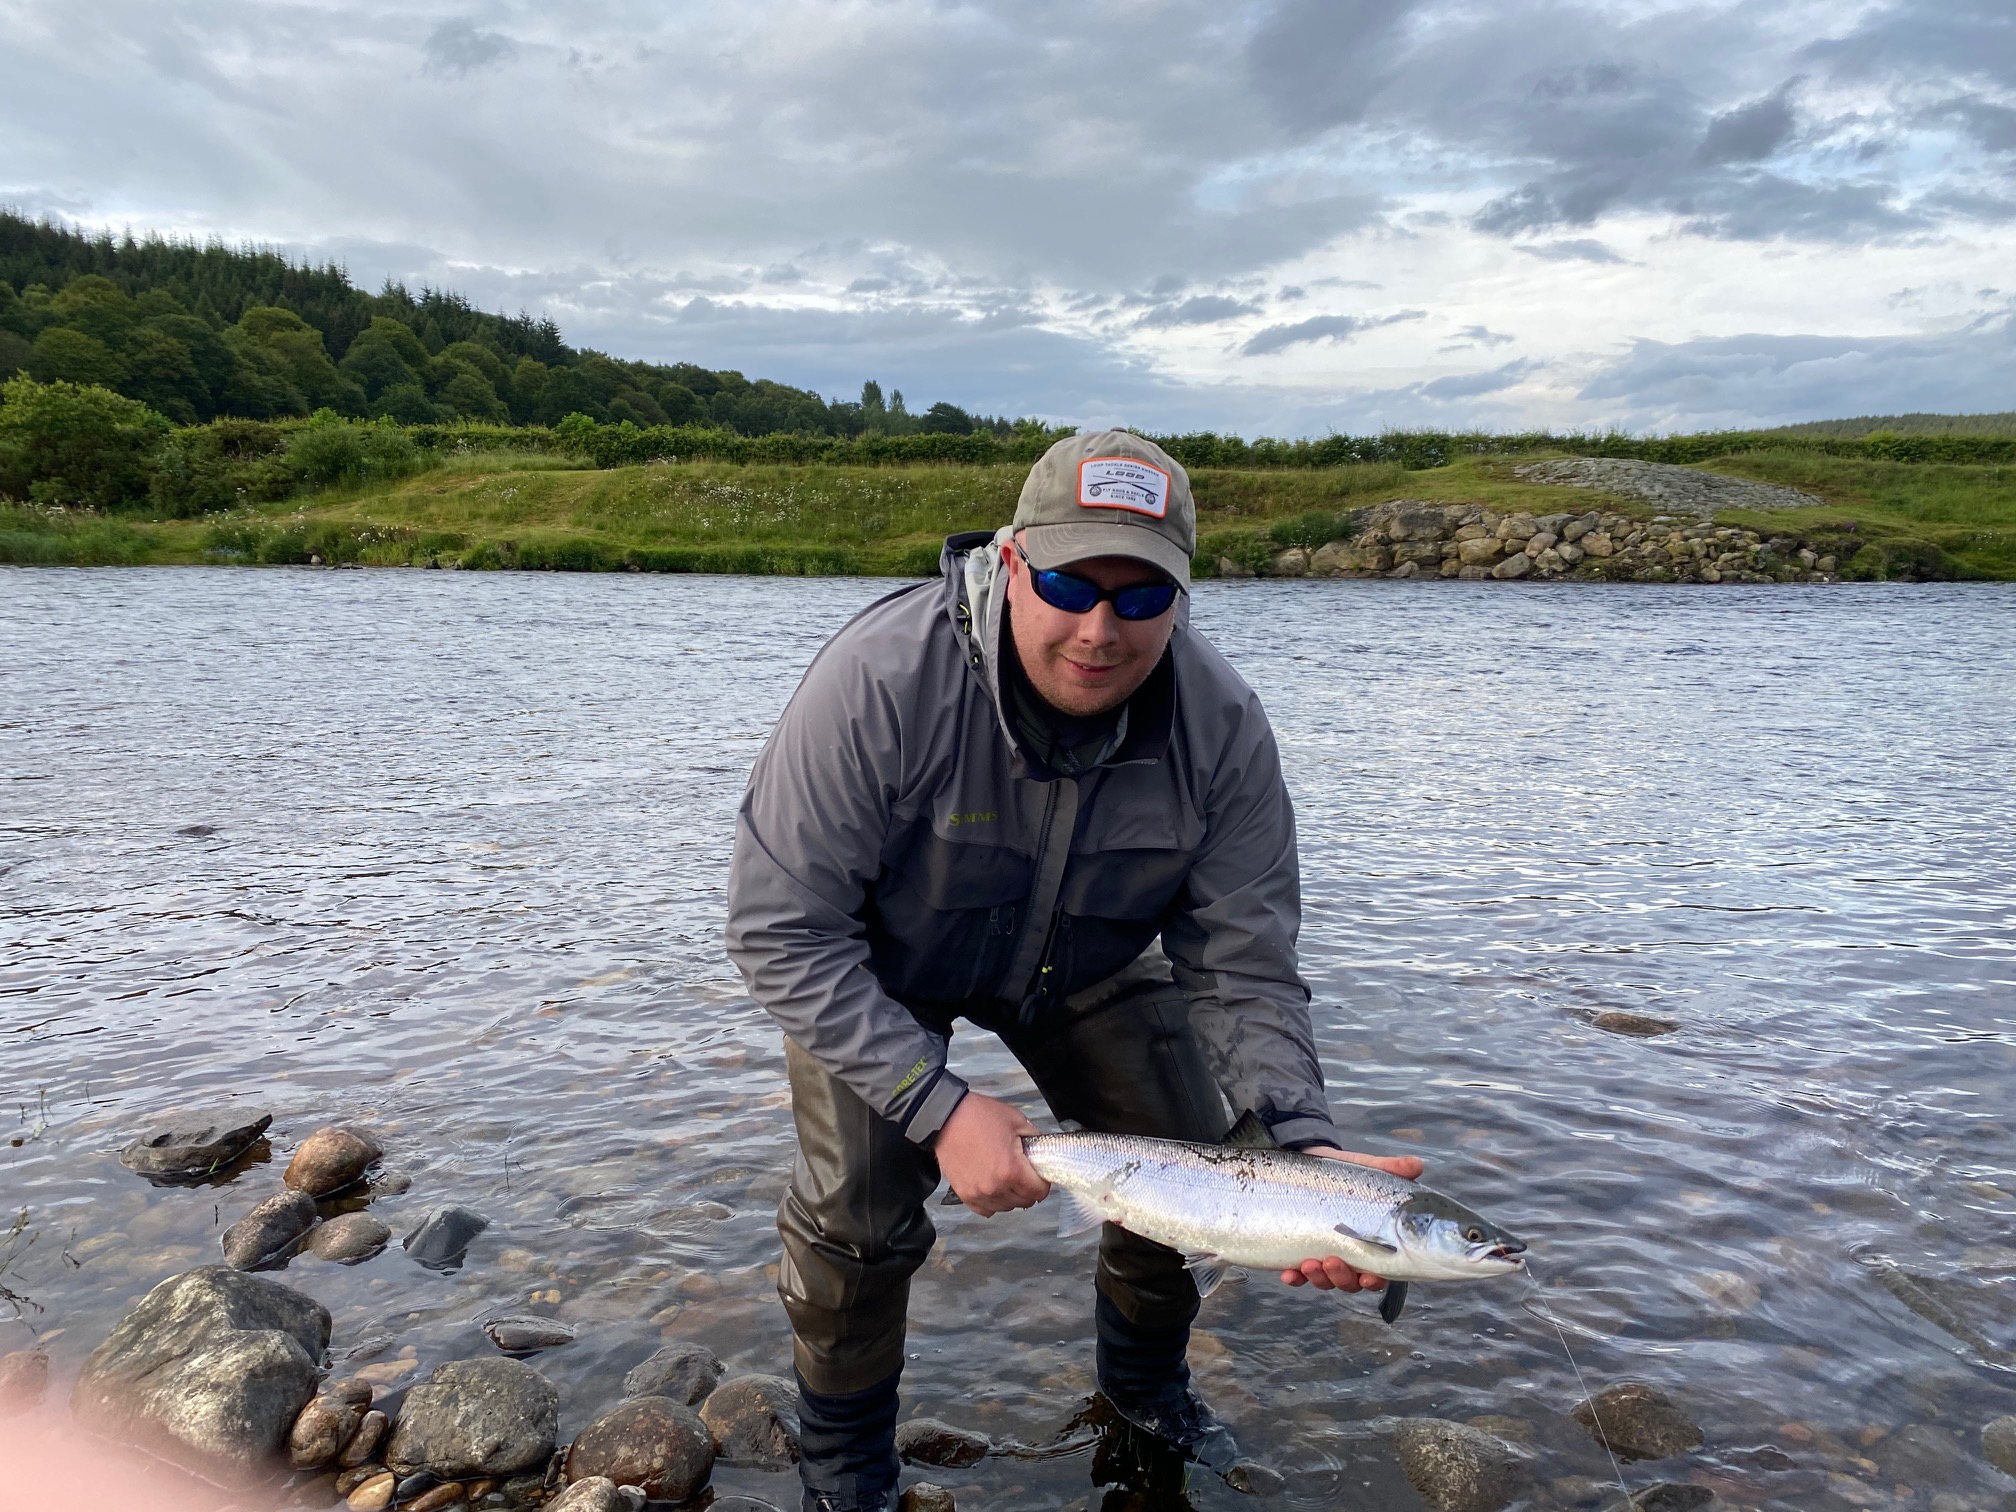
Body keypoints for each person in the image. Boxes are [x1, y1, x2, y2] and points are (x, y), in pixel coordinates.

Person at [726, 429, 1422, 1512]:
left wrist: (1294, 1139)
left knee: (1196, 1170)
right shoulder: (878, 684)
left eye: (1141, 598)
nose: (1100, 630)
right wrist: (940, 1106)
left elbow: (1246, 965)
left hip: (1087, 966)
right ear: (1012, 563)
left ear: (1182, 599)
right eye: (1068, 585)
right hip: (883, 971)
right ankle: (844, 1463)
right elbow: (780, 929)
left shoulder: (1224, 730)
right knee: (858, 1220)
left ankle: (1144, 1399)